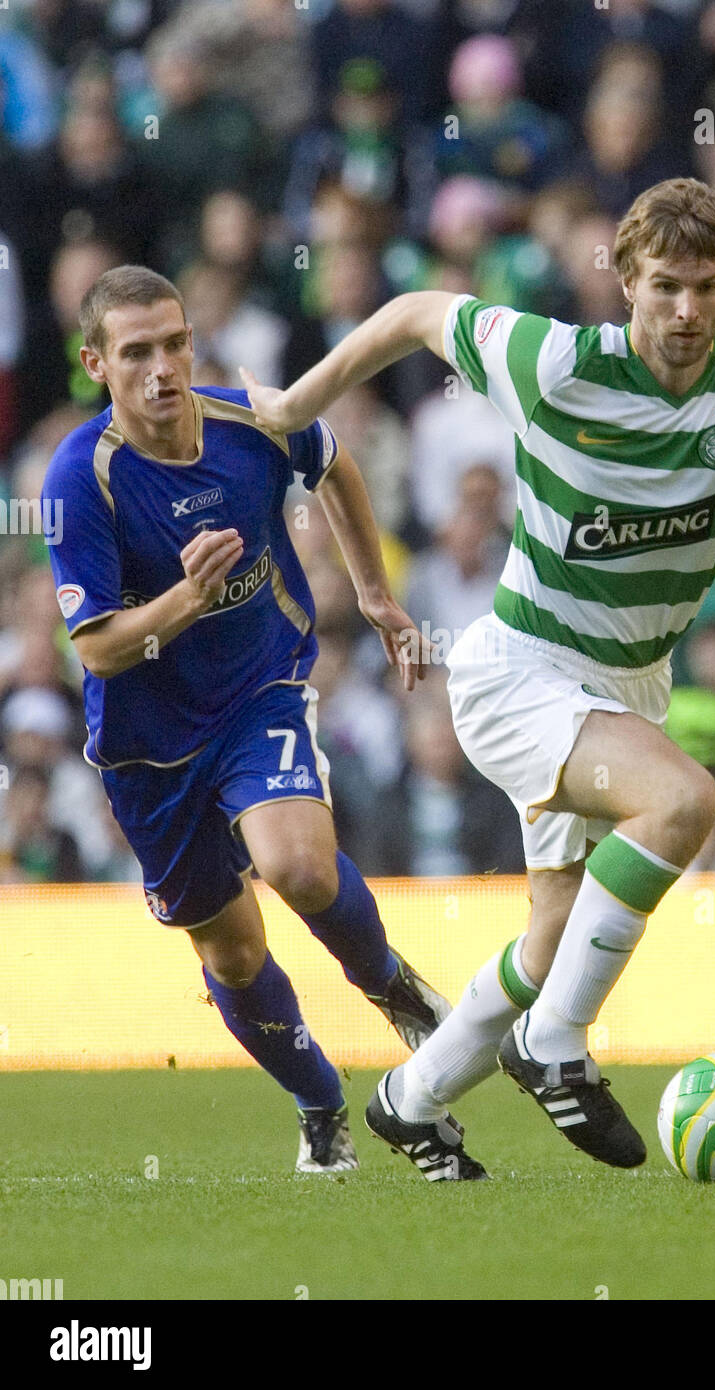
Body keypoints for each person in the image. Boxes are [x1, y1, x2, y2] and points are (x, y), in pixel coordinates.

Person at [240, 177, 715, 1181]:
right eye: (664, 284)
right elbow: (415, 312)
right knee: (681, 802)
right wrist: (291, 405)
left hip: (630, 686)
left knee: (551, 932)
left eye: (707, 286)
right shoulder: (556, 363)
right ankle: (556, 1047)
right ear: (625, 281)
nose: (684, 309)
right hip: (520, 671)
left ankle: (411, 1101)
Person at [41, 265, 451, 1176]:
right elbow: (100, 650)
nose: (162, 368)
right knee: (232, 958)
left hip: (261, 688)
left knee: (297, 865)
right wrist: (189, 596)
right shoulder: (81, 478)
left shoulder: (254, 422)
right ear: (96, 364)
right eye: (136, 352)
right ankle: (320, 1105)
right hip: (147, 751)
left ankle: (396, 991)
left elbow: (334, 462)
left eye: (175, 342)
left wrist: (378, 595)